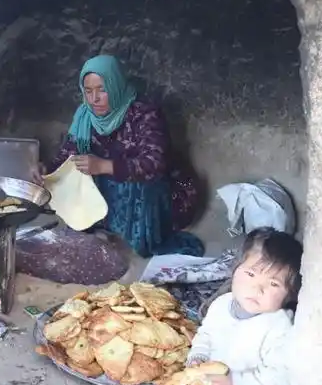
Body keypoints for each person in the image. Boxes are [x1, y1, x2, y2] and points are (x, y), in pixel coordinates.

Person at [33, 54, 202, 257]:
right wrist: (47, 171)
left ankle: (139, 238)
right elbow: (68, 157)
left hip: (164, 192)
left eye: (102, 90)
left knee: (139, 183)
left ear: (115, 85)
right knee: (79, 173)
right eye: (88, 91)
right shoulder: (85, 117)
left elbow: (155, 164)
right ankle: (106, 226)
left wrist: (103, 166)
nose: (94, 99)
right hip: (115, 187)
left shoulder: (144, 114)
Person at [186, 228, 302, 385]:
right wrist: (197, 358)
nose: (258, 288)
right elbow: (205, 336)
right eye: (251, 274)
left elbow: (281, 384)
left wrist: (233, 383)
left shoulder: (280, 326)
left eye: (273, 283)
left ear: (290, 295)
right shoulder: (221, 304)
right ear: (234, 270)